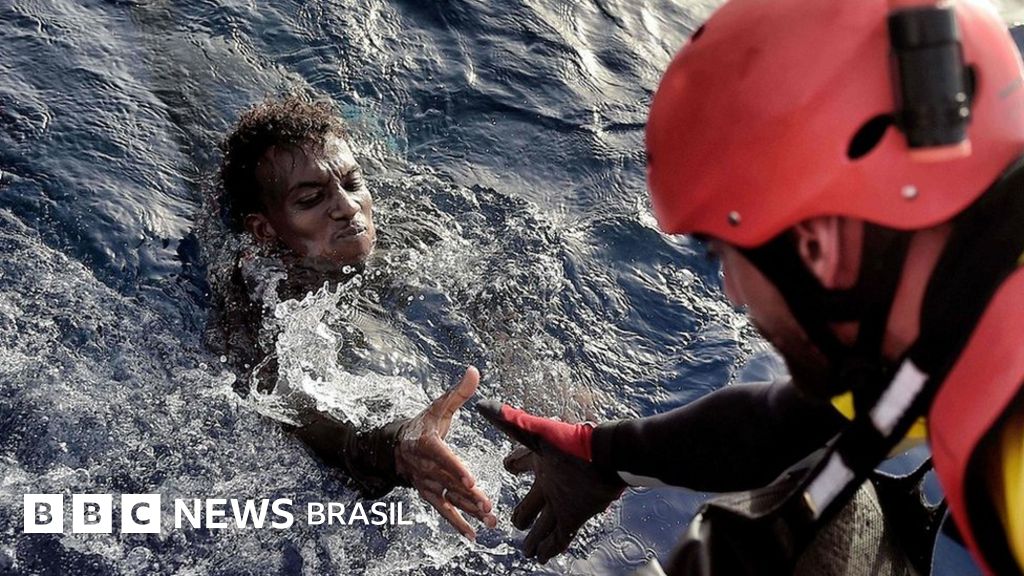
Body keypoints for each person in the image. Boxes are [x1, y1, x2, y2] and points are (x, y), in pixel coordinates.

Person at [478, 0, 1024, 573]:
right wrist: (599, 456)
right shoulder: (952, 320)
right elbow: (779, 430)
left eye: (723, 253)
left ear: (816, 247)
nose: (733, 293)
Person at [212, 94, 497, 540]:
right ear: (265, 230)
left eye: (352, 182)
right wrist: (396, 449)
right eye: (311, 199)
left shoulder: (413, 234)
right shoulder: (262, 302)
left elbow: (489, 298)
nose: (346, 207)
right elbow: (293, 410)